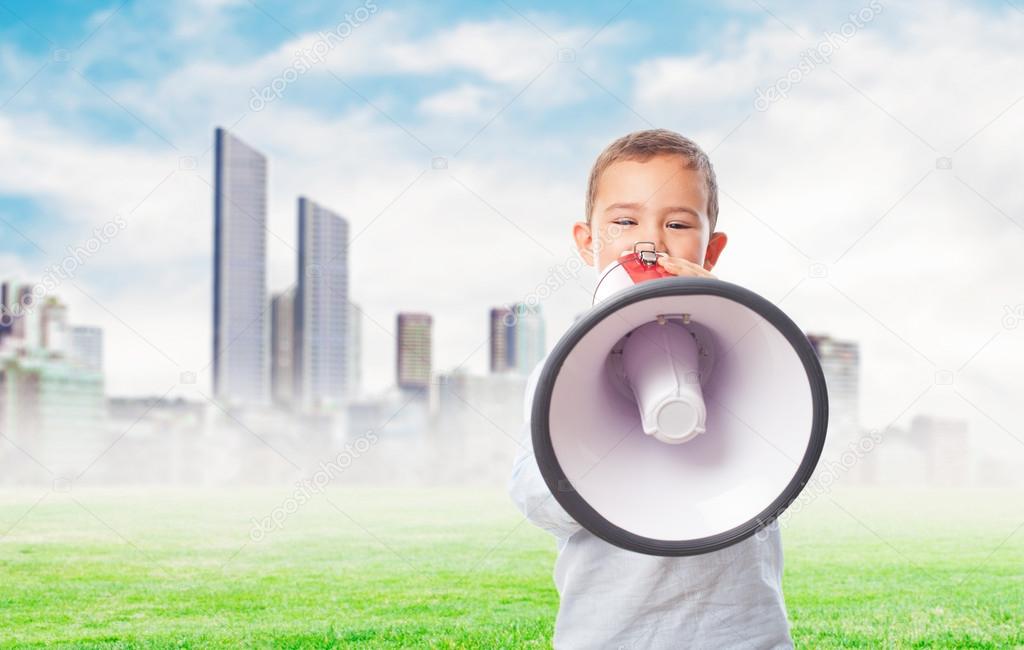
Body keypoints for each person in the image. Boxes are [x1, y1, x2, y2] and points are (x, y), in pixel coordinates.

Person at [508, 128, 793, 649]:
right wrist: (584, 460)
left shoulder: (753, 345)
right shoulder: (559, 368)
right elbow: (534, 499)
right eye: (624, 221)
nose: (651, 242)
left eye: (679, 223)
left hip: (745, 635)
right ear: (587, 241)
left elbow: (783, 443)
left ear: (712, 250)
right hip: (611, 635)